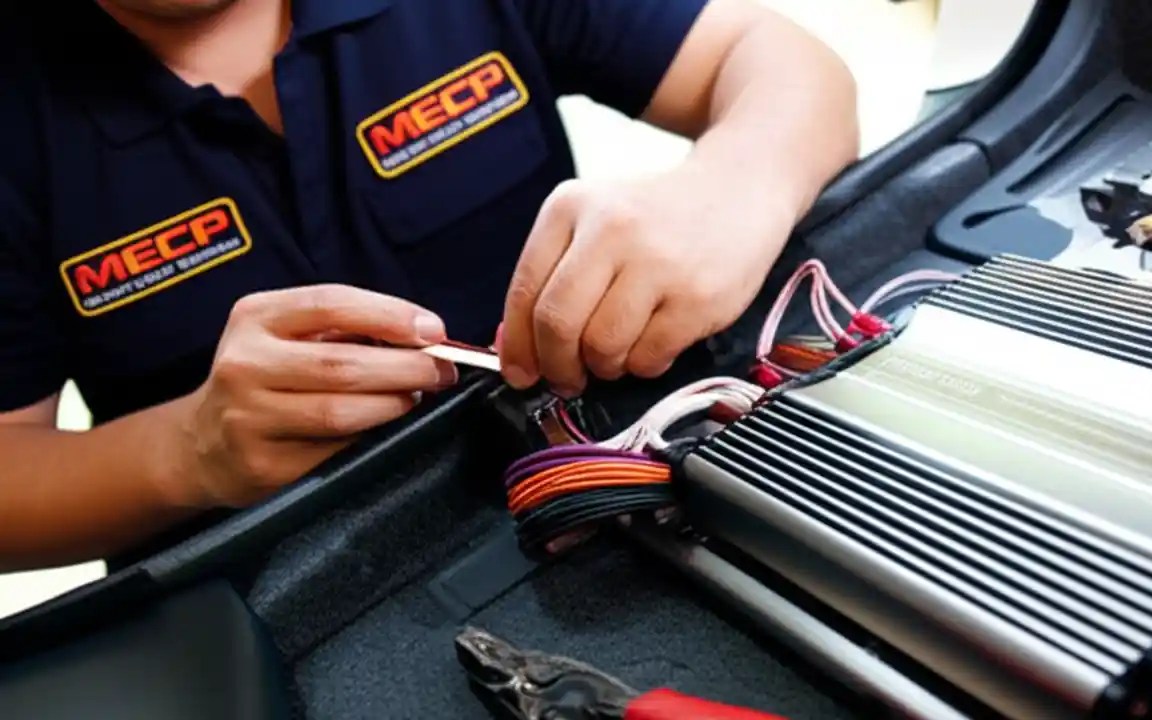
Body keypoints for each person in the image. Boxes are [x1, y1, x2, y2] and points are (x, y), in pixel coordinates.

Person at [0, 0, 858, 570]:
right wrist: (186, 451)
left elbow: (783, 63)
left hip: (608, 500)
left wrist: (730, 189)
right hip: (276, 607)